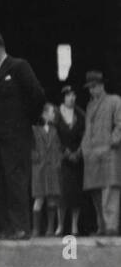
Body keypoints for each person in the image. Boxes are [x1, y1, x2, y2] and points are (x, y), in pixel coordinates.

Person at [0, 32, 46, 240]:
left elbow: (38, 95)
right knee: (2, 182)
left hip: (16, 137)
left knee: (16, 180)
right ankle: (7, 228)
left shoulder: (18, 66)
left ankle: (21, 227)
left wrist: (25, 122)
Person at [81, 70, 121, 236]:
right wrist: (85, 149)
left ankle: (111, 226)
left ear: (102, 85)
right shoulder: (90, 106)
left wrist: (112, 142)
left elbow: (120, 124)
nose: (92, 90)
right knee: (95, 191)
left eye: (94, 87)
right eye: (89, 88)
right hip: (92, 155)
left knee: (109, 190)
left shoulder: (114, 101)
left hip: (109, 153)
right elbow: (87, 130)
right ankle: (102, 226)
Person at [55, 85, 86, 236]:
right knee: (62, 193)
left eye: (74, 95)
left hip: (77, 159)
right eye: (68, 95)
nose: (71, 98)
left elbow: (86, 135)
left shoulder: (80, 114)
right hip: (62, 158)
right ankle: (60, 226)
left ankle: (75, 226)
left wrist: (79, 152)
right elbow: (53, 135)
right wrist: (65, 152)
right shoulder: (56, 113)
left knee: (76, 193)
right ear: (63, 97)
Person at [31, 102, 62, 237]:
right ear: (44, 114)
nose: (54, 114)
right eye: (51, 112)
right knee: (39, 198)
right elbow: (30, 147)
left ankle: (50, 228)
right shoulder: (34, 130)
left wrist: (58, 162)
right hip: (39, 169)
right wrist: (34, 156)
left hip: (52, 169)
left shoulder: (55, 131)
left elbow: (58, 147)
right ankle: (36, 229)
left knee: (52, 199)